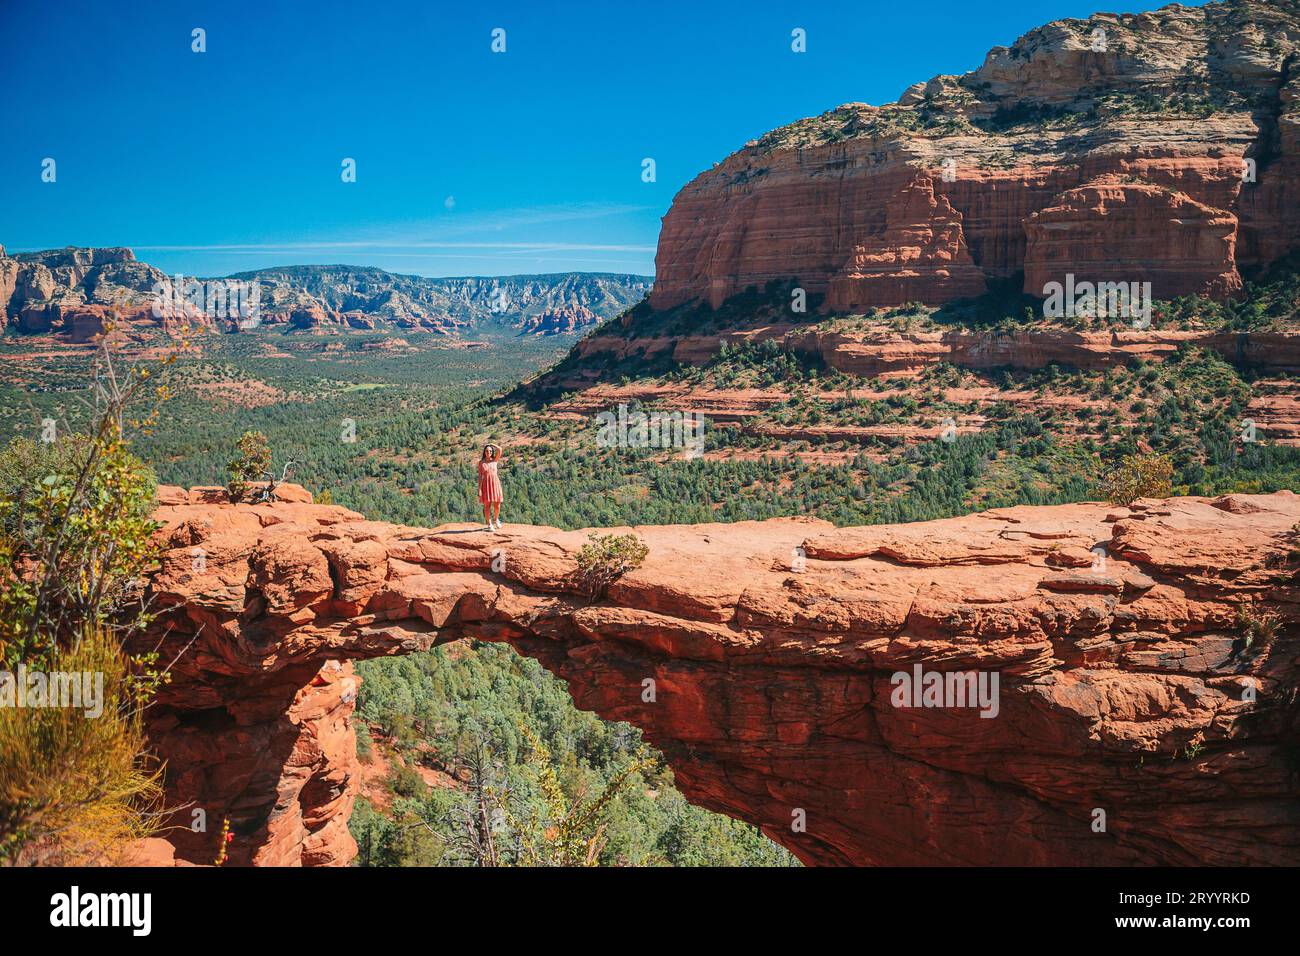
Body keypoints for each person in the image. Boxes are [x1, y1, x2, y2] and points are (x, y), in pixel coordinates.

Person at [477, 443, 503, 531]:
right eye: (487, 451)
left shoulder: (495, 460)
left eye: (490, 451)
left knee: (497, 505)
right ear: (484, 452)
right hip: (486, 485)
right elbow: (480, 476)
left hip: (495, 484)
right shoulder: (481, 463)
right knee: (487, 506)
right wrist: (479, 489)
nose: (489, 452)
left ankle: (496, 519)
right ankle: (489, 524)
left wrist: (491, 444)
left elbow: (500, 449)